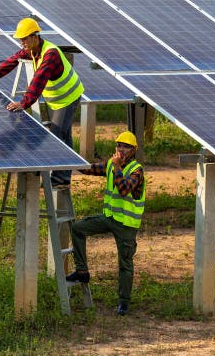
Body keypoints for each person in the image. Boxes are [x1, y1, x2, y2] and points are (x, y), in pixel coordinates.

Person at [0, 17, 84, 186]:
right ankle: (64, 173)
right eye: (20, 39)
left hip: (69, 97)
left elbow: (38, 80)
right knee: (64, 134)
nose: (21, 42)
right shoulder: (32, 50)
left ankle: (59, 177)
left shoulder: (50, 54)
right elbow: (11, 61)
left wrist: (23, 103)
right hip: (56, 99)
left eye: (24, 38)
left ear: (34, 36)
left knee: (57, 134)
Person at [67, 131, 145, 316]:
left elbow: (124, 189)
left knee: (125, 263)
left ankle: (123, 303)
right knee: (78, 228)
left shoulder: (136, 170)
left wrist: (117, 166)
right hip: (109, 218)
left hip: (126, 224)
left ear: (133, 150)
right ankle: (82, 271)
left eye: (125, 146)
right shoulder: (111, 164)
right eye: (119, 145)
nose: (121, 149)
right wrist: (71, 160)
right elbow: (90, 169)